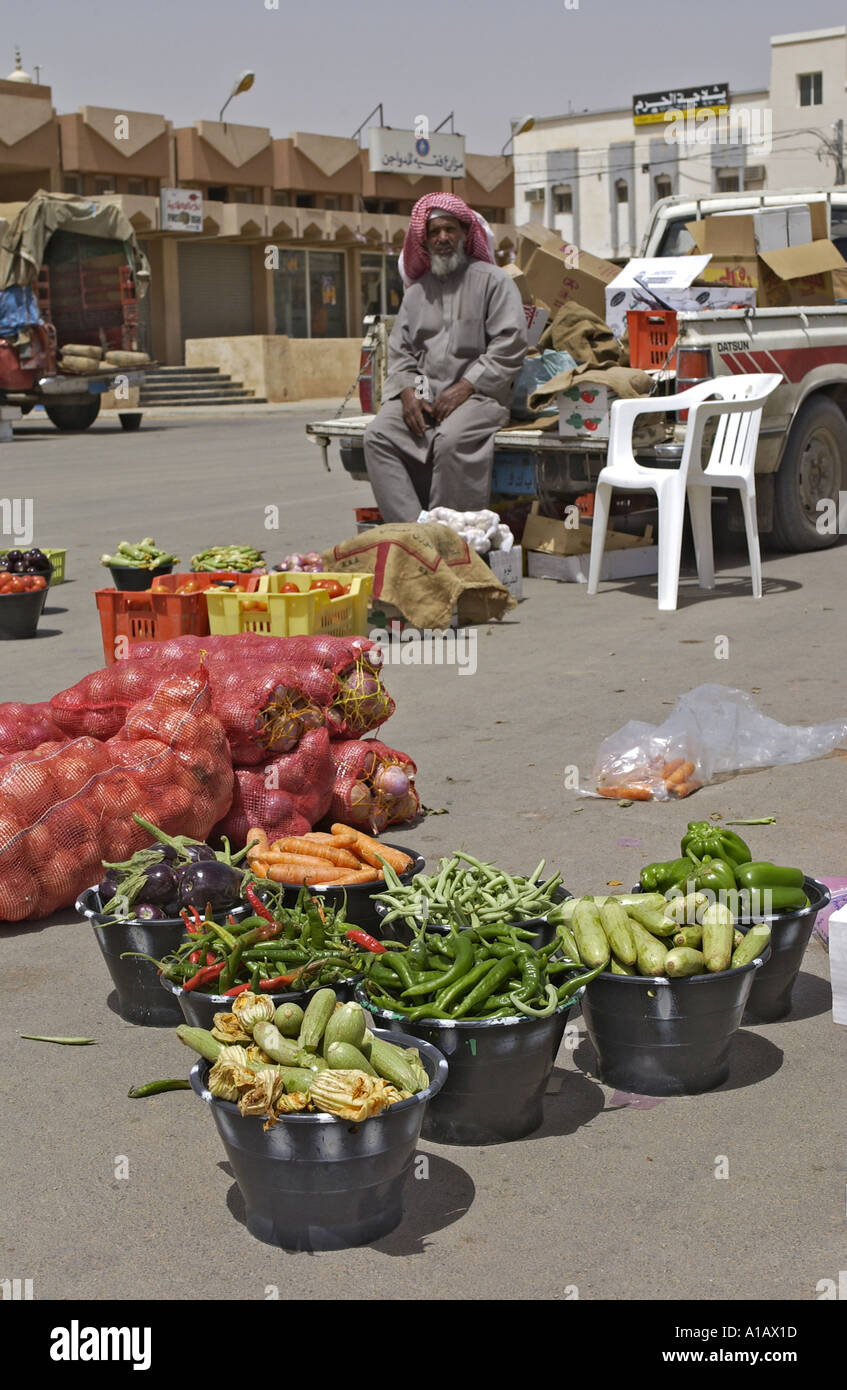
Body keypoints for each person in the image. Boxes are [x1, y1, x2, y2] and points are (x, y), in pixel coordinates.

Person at [364, 193, 528, 523]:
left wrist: (466, 386)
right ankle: (414, 533)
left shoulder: (494, 282)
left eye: (450, 229)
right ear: (423, 240)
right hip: (425, 397)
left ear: (464, 234)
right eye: (434, 232)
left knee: (451, 441)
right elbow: (400, 352)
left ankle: (452, 536)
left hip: (481, 396)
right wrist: (408, 394)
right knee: (378, 434)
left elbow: (510, 343)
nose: (443, 238)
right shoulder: (416, 293)